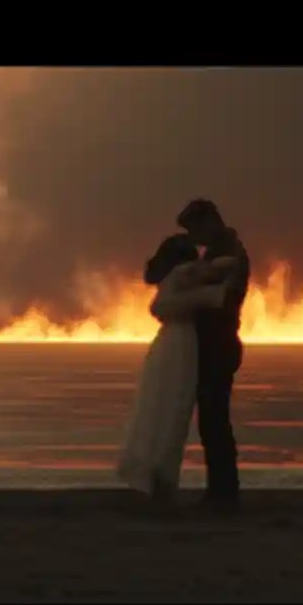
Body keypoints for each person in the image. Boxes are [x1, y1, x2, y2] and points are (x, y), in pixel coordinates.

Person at [117, 233, 240, 503]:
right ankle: (161, 478)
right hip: (181, 345)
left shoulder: (176, 279)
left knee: (160, 406)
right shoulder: (185, 274)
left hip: (170, 344)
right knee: (173, 409)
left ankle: (155, 477)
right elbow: (227, 266)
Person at [175, 199, 250, 510]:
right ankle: (222, 490)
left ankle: (223, 492)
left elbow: (222, 298)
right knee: (213, 420)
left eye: (194, 228)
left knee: (214, 421)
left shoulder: (228, 255)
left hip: (219, 345)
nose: (192, 237)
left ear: (208, 222)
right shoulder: (225, 252)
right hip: (217, 344)